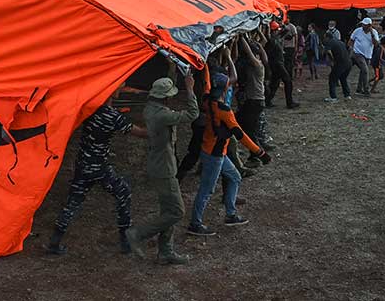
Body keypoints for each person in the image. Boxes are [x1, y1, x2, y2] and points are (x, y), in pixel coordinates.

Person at [47, 87, 147, 255]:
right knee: (123, 192)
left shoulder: (89, 109)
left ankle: (55, 241)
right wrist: (161, 129)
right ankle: (125, 240)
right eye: (119, 86)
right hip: (99, 167)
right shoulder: (111, 116)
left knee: (73, 202)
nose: (121, 88)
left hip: (82, 164)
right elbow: (140, 133)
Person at [125, 74, 199, 266]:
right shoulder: (162, 115)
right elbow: (192, 114)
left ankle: (166, 251)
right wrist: (190, 89)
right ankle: (137, 233)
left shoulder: (151, 109)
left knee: (169, 209)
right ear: (165, 97)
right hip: (164, 168)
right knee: (177, 212)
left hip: (160, 164)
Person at [186, 71, 271, 236]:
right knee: (206, 189)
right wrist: (260, 153)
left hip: (212, 150)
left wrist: (204, 68)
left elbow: (207, 84)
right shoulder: (224, 111)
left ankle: (230, 214)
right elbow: (240, 135)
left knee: (234, 177)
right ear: (225, 89)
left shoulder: (207, 100)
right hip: (215, 155)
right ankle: (195, 224)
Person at [265, 22, 298, 109]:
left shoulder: (276, 38)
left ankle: (267, 101)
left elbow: (286, 31)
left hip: (277, 63)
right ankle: (289, 103)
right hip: (277, 64)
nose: (278, 31)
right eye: (276, 30)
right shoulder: (271, 40)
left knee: (274, 84)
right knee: (288, 81)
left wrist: (281, 24)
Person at [349, 18, 380, 96]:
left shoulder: (374, 32)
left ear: (369, 25)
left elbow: (376, 44)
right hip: (357, 53)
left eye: (365, 25)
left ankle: (359, 89)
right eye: (362, 24)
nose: (363, 26)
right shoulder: (357, 31)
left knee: (363, 71)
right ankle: (366, 90)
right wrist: (351, 48)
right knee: (365, 70)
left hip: (367, 54)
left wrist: (372, 34)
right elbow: (351, 40)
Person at [322, 33, 352, 102]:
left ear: (327, 37)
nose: (324, 40)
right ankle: (347, 95)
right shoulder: (340, 42)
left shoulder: (329, 42)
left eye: (324, 38)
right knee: (343, 78)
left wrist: (333, 60)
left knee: (332, 79)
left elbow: (329, 52)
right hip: (348, 62)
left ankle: (333, 97)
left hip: (340, 63)